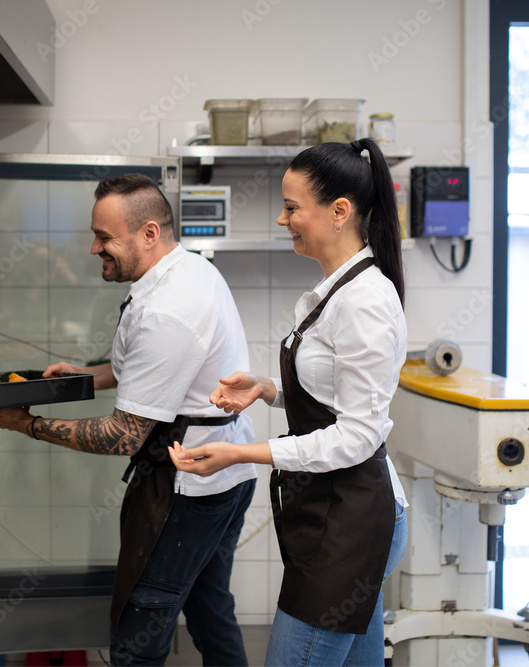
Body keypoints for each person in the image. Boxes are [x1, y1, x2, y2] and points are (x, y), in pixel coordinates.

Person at [0, 173, 257, 666]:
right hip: (227, 478)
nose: (94, 248)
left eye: (104, 238)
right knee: (210, 609)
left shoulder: (169, 309)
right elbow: (156, 371)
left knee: (138, 635)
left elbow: (123, 436)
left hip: (186, 488)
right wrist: (86, 375)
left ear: (149, 234)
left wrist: (26, 423)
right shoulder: (189, 271)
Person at [169, 138, 410, 666]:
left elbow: (358, 435)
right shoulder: (335, 291)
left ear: (340, 212)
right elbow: (331, 397)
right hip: (334, 509)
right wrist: (266, 389)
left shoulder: (366, 301)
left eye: (292, 207)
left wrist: (241, 453)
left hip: (353, 519)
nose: (283, 219)